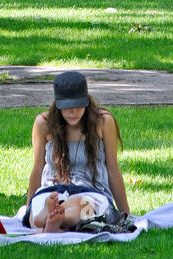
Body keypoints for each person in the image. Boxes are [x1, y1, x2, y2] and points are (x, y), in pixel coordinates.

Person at [26, 71, 129, 232]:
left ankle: (53, 221)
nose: (73, 112)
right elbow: (37, 169)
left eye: (78, 105)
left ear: (87, 101)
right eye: (67, 107)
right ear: (57, 104)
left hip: (91, 190)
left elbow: (113, 169)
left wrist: (125, 214)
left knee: (83, 208)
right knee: (38, 208)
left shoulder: (103, 122)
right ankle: (45, 218)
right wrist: (28, 208)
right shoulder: (44, 123)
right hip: (51, 190)